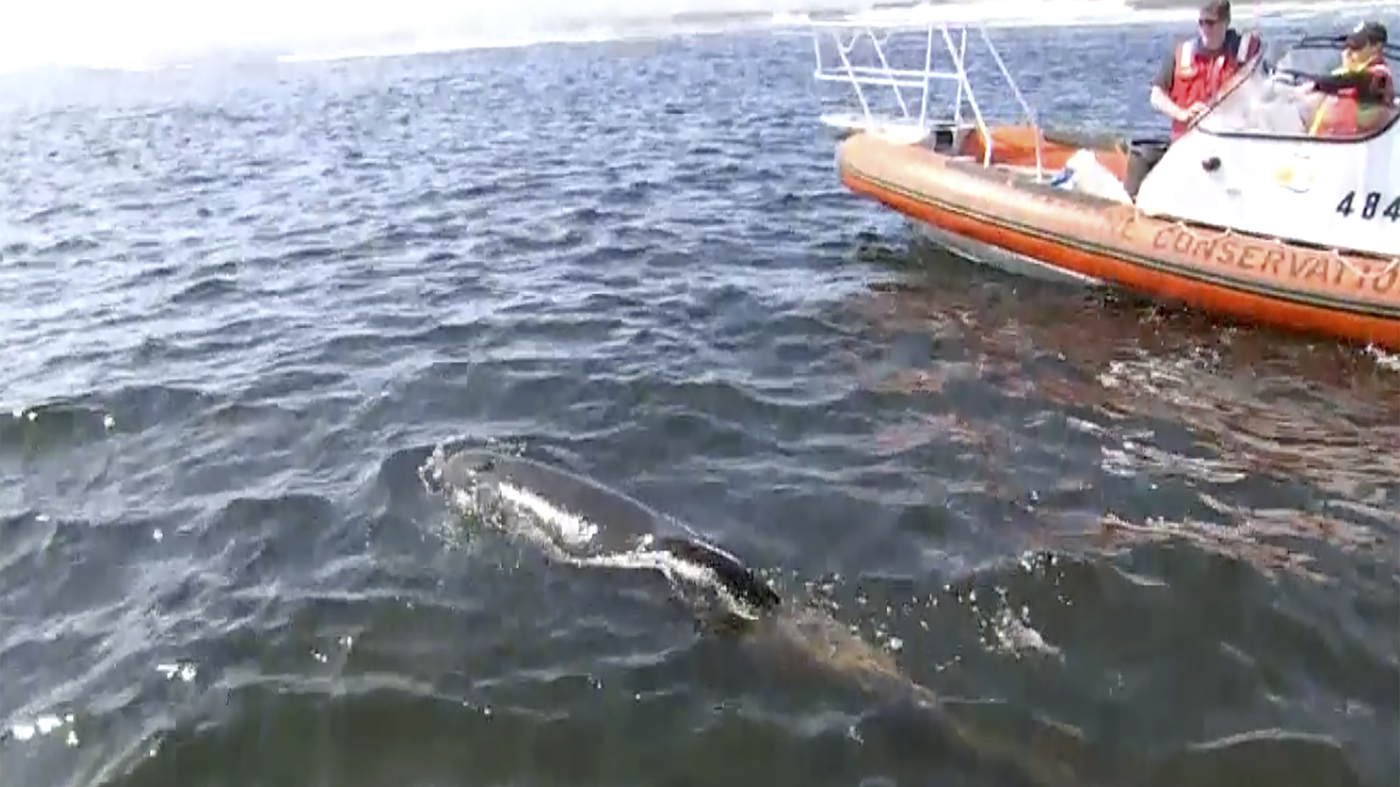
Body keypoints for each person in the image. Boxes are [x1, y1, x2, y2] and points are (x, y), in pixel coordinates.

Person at [1150, 0, 1262, 141]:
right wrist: (1181, 113)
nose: (1205, 29)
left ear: (1225, 22)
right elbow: (1156, 96)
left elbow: (1266, 90)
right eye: (1201, 23)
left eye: (1210, 23)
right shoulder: (1181, 53)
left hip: (1229, 139)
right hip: (1186, 142)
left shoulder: (1243, 53)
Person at [1306, 21, 1394, 137]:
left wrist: (1315, 85)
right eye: (1350, 44)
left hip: (1361, 146)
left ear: (1376, 47)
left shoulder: (1380, 76)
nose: (1350, 50)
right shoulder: (1353, 70)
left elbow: (1349, 81)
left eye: (1358, 44)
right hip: (1327, 142)